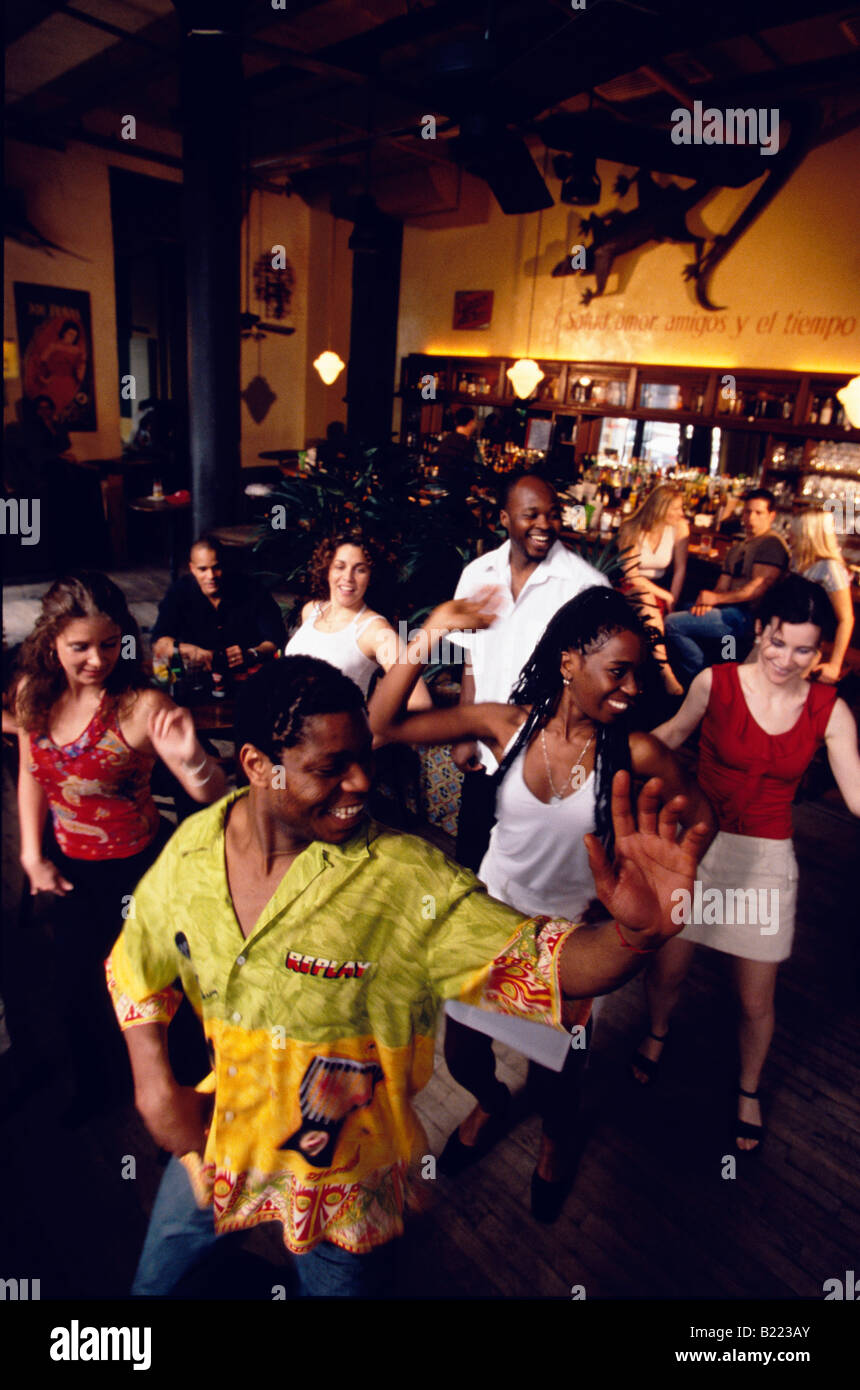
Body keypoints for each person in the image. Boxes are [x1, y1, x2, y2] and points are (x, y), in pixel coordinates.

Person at [105, 650, 710, 1297]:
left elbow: (545, 966)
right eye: (330, 768)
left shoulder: (405, 881)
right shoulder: (198, 845)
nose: (363, 783)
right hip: (217, 1137)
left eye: (364, 757)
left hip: (345, 1184)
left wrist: (632, 938)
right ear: (258, 766)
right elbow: (137, 958)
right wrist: (152, 1080)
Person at [369, 586, 715, 1220]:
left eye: (637, 673)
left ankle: (556, 1141)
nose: (633, 689)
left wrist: (643, 888)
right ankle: (493, 1104)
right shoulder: (508, 724)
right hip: (486, 926)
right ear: (568, 664)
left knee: (559, 1077)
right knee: (464, 1056)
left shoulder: (632, 752)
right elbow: (384, 724)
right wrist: (432, 628)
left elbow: (702, 817)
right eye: (618, 671)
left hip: (570, 948)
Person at [636, 576, 860, 1151]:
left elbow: (857, 796)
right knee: (667, 972)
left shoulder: (829, 710)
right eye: (779, 642)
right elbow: (669, 737)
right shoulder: (716, 682)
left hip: (764, 864)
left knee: (755, 1000)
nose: (788, 659)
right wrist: (603, 750)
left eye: (805, 649)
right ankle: (656, 1036)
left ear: (820, 652)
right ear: (759, 631)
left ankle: (748, 1089)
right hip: (697, 850)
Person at [15, 573, 226, 1119]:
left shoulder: (139, 705)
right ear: (52, 641)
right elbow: (32, 772)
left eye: (109, 644)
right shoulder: (30, 694)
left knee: (163, 992)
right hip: (68, 867)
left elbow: (212, 792)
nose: (96, 660)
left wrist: (191, 756)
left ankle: (186, 1111)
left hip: (137, 872)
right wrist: (31, 856)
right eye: (79, 647)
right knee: (79, 986)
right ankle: (97, 1092)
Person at [447, 472, 609, 872]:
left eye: (553, 515)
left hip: (545, 764)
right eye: (531, 515)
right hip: (487, 753)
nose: (544, 525)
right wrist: (466, 733)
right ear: (503, 517)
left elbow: (599, 683)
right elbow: (472, 659)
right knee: (470, 865)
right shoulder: (477, 575)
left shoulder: (584, 587)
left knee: (531, 877)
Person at [284, 530, 431, 706]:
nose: (348, 578)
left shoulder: (375, 630)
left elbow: (420, 703)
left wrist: (373, 729)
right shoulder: (311, 611)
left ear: (371, 577)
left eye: (360, 570)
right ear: (327, 569)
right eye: (340, 566)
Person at [664, 489, 789, 685]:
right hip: (729, 615)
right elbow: (722, 585)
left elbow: (758, 588)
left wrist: (715, 600)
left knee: (673, 623)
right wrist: (707, 603)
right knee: (681, 611)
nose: (751, 518)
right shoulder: (738, 547)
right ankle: (713, 679)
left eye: (758, 513)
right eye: (747, 512)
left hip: (749, 618)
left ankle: (704, 681)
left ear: (771, 516)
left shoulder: (771, 544)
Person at [152, 535, 285, 677]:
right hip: (198, 673)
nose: (211, 576)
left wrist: (253, 653)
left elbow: (276, 638)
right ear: (192, 569)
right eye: (203, 569)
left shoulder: (252, 589)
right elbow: (159, 642)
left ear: (225, 564)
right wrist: (192, 651)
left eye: (216, 568)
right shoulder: (179, 592)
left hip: (249, 673)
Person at [618, 484, 689, 697]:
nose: (681, 513)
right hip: (629, 586)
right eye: (676, 508)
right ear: (660, 507)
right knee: (646, 599)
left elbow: (680, 569)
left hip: (660, 589)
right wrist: (666, 595)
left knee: (652, 602)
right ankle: (664, 670)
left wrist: (673, 599)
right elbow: (631, 574)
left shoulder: (680, 527)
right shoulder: (631, 527)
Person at [790, 509, 854, 684]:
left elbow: (846, 620)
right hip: (786, 639)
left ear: (809, 534)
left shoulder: (830, 568)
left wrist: (835, 665)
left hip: (808, 648)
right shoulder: (797, 561)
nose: (789, 534)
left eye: (795, 530)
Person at [432, 406, 479, 505]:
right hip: (457, 495)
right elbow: (467, 470)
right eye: (475, 421)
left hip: (442, 490)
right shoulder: (467, 444)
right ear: (470, 423)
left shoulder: (447, 439)